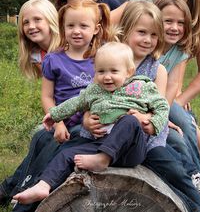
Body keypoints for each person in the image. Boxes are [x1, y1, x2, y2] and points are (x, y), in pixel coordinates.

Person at [13, 42, 169, 205]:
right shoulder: (95, 90)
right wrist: (54, 115)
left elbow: (162, 105)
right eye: (101, 71)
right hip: (101, 144)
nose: (107, 76)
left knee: (129, 120)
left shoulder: (140, 87)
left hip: (131, 150)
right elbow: (76, 102)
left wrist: (153, 124)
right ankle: (43, 185)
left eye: (114, 71)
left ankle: (103, 159)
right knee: (66, 154)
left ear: (129, 72)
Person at [2, 0, 112, 212]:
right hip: (62, 120)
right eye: (70, 26)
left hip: (89, 125)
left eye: (83, 26)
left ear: (96, 29)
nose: (76, 31)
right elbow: (47, 97)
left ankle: (23, 195)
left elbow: (108, 91)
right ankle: (21, 186)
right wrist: (59, 122)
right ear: (62, 28)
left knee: (57, 145)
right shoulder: (54, 59)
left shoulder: (101, 57)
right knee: (40, 138)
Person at [116, 0, 200, 212]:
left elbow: (158, 109)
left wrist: (151, 120)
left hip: (148, 140)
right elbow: (99, 96)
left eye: (154, 35)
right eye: (141, 32)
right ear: (125, 31)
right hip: (113, 137)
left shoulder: (158, 70)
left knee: (177, 172)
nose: (148, 40)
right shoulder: (112, 61)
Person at [0, 0, 60, 206]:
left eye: (37, 20)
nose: (31, 26)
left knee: (43, 137)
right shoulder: (37, 54)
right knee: (41, 136)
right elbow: (50, 91)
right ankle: (14, 188)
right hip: (58, 110)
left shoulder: (66, 46)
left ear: (51, 21)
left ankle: (13, 189)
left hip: (76, 112)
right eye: (26, 22)